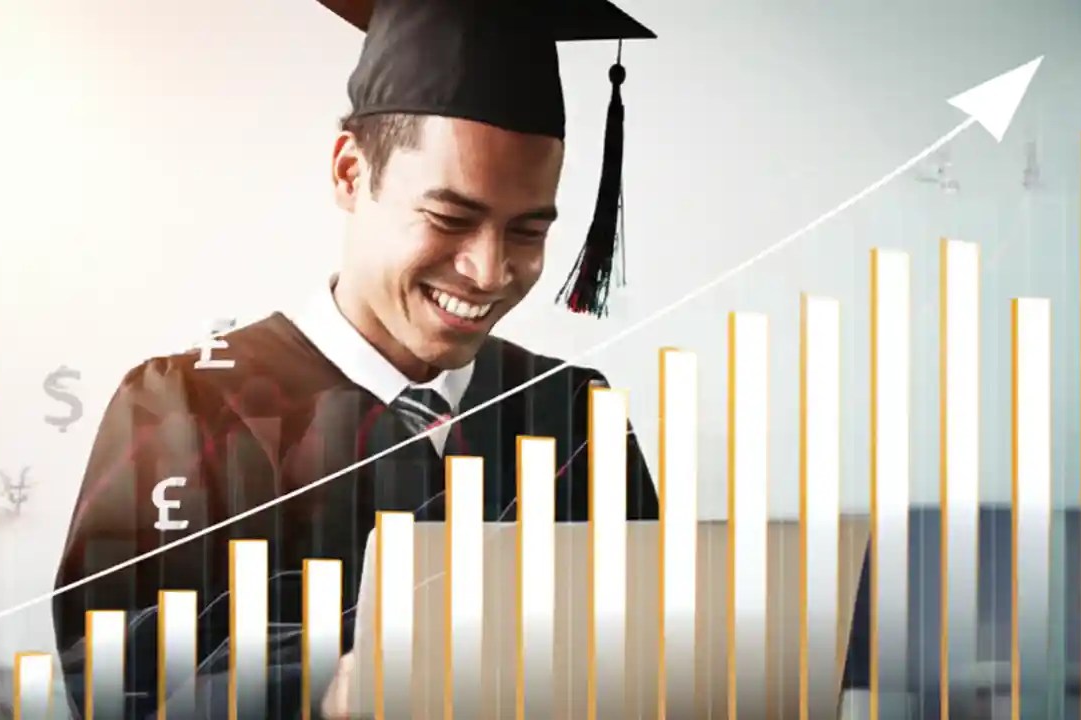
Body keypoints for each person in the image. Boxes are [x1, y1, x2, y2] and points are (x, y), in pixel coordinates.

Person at [51, 0, 661, 717]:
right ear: (349, 173)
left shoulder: (575, 415)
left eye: (527, 232)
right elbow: (116, 683)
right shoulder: (184, 409)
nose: (489, 270)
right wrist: (326, 687)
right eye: (450, 218)